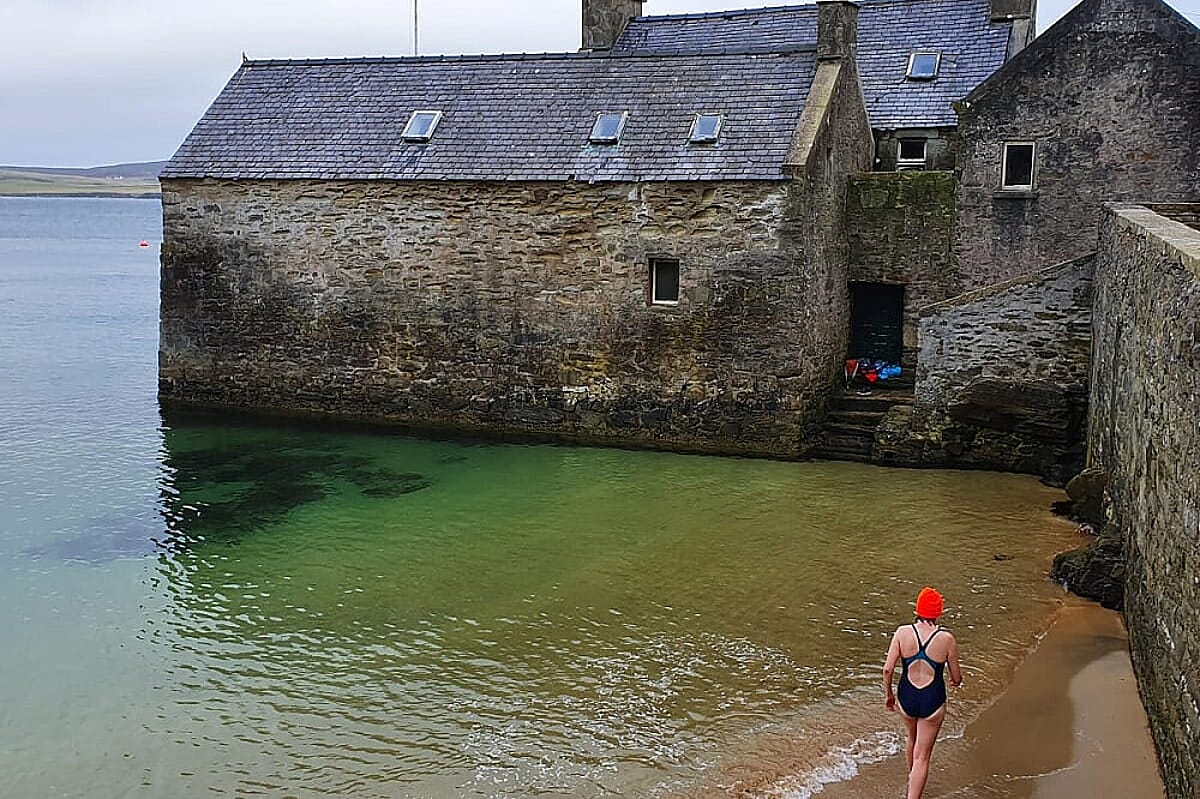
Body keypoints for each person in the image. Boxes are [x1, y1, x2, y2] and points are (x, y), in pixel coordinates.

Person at [882, 587, 963, 799]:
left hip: (907, 696)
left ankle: (913, 782)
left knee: (912, 739)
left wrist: (889, 695)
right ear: (938, 612)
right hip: (932, 699)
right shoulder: (947, 639)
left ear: (917, 609)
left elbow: (888, 669)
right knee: (923, 756)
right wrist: (956, 682)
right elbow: (956, 677)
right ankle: (914, 793)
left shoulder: (902, 633)